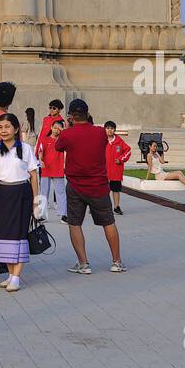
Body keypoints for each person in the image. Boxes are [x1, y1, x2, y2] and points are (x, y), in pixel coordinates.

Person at [54, 98, 124, 274]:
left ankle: (83, 263)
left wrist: (67, 129)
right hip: (99, 186)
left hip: (76, 186)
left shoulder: (67, 134)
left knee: (75, 224)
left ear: (71, 116)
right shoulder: (100, 133)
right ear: (88, 113)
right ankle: (116, 261)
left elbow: (58, 147)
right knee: (108, 222)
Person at [0, 112, 40, 291]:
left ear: (16, 129)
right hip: (1, 193)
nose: (3, 130)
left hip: (22, 194)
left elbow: (33, 175)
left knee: (19, 234)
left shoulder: (26, 149)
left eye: (7, 127)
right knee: (2, 235)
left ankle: (16, 276)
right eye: (0, 127)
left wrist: (36, 201)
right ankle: (10, 274)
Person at [37, 118, 67, 219]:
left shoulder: (62, 141)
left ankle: (63, 214)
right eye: (55, 128)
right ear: (51, 127)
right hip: (46, 169)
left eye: (59, 129)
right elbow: (40, 152)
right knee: (43, 192)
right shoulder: (45, 139)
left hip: (58, 169)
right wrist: (41, 161)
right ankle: (41, 215)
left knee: (61, 192)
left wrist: (63, 132)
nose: (56, 130)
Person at [104, 121, 132, 213]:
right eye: (108, 128)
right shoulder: (102, 140)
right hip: (104, 170)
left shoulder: (119, 141)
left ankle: (116, 207)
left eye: (111, 128)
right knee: (103, 190)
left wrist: (120, 159)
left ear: (114, 130)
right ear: (105, 129)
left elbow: (128, 151)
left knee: (115, 189)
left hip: (116, 170)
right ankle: (100, 207)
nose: (110, 130)